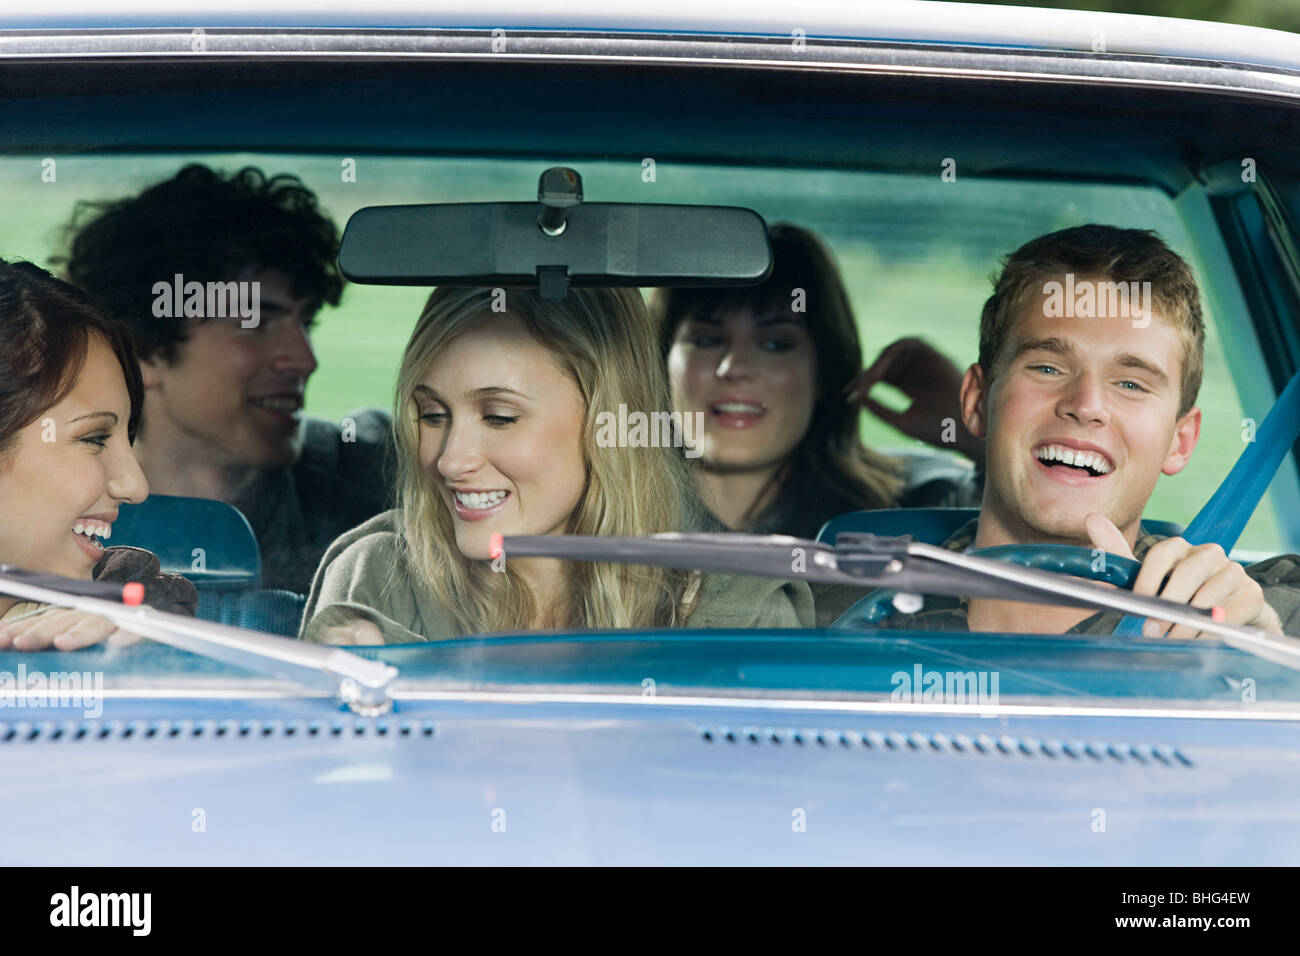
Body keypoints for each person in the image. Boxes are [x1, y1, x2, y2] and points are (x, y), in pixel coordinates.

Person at [300, 286, 813, 645]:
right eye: (433, 415)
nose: (451, 459)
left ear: (606, 428)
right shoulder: (382, 575)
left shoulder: (742, 611)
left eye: (499, 418)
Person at [878, 224, 1300, 636]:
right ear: (976, 401)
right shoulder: (833, 605)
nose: (1085, 406)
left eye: (1131, 384)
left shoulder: (1261, 612)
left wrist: (1265, 650)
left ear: (1181, 441)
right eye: (1047, 367)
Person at [55, 164, 394, 594]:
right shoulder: (51, 513)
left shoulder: (378, 477)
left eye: (305, 321)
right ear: (141, 350)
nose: (305, 360)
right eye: (255, 324)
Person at [652, 222, 982, 543]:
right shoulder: (610, 510)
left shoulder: (914, 503)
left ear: (824, 371)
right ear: (660, 360)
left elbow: (1017, 523)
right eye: (707, 340)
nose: (734, 367)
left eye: (775, 344)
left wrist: (970, 425)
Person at [0, 259, 197, 651]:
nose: (135, 487)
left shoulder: (136, 613)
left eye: (129, 435)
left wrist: (127, 657)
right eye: (94, 438)